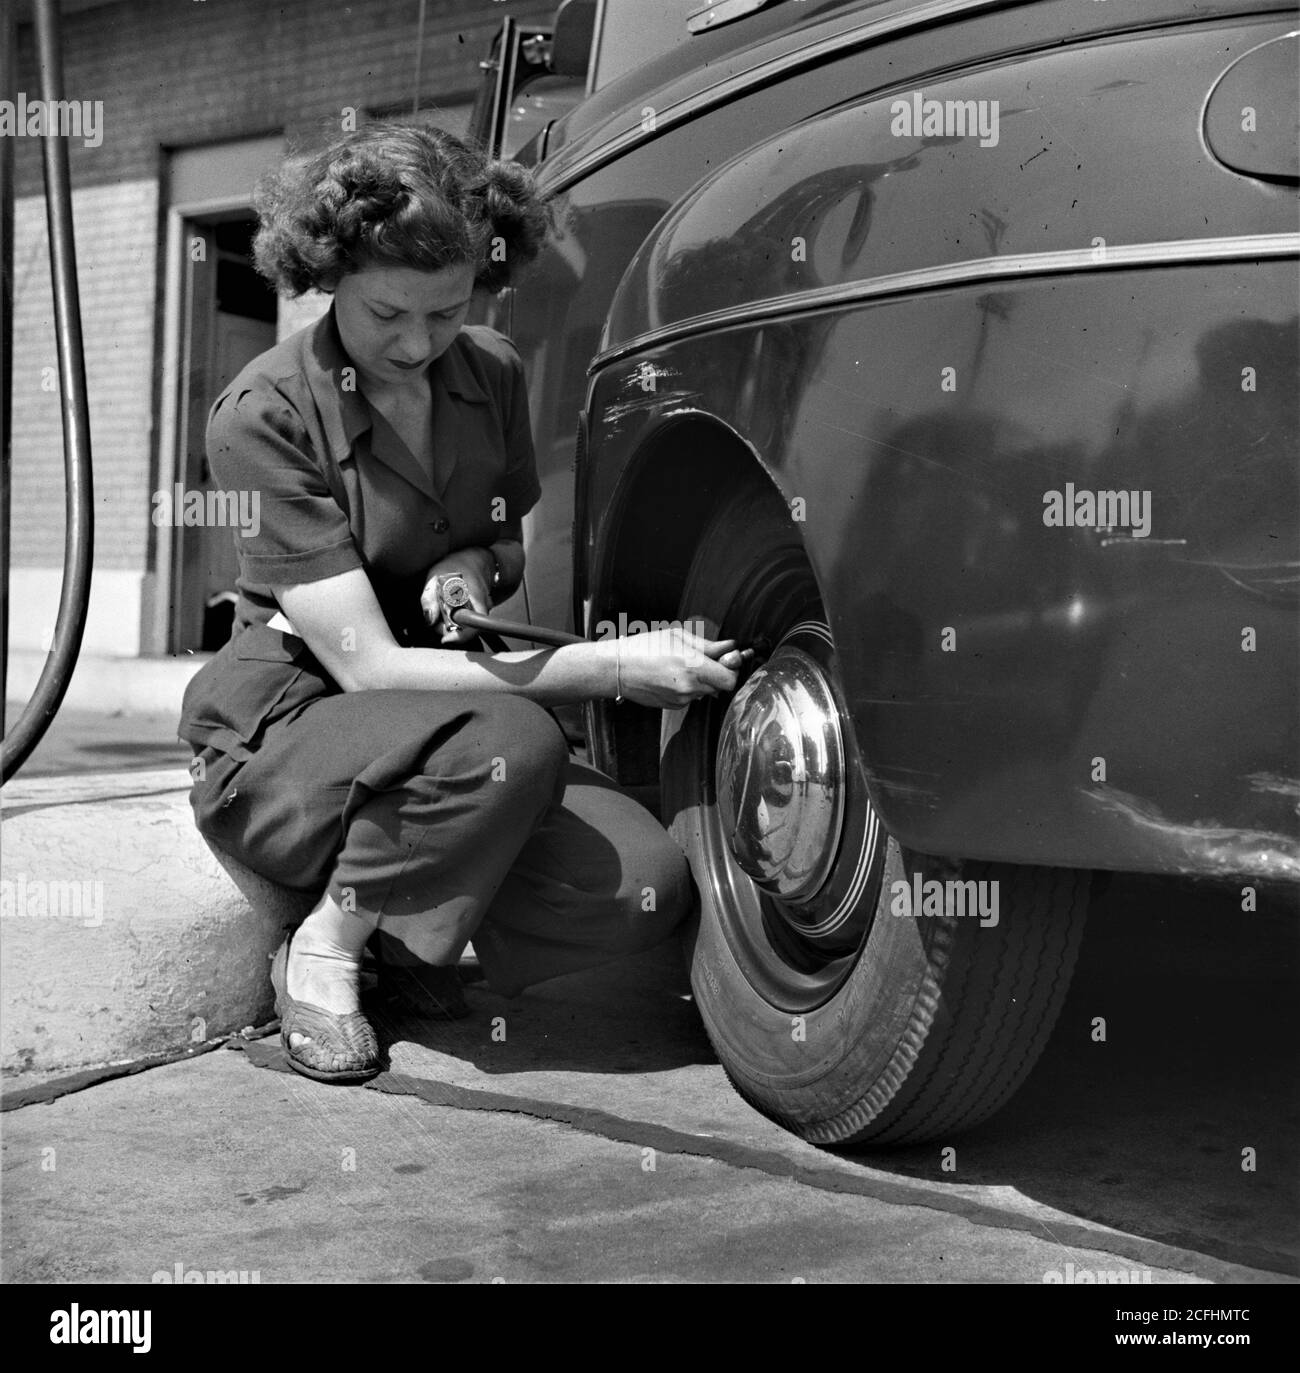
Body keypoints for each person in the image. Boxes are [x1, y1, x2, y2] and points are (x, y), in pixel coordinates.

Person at [178, 123, 745, 1085]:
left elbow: (503, 540)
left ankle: (405, 937)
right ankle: (323, 951)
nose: (417, 343)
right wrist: (615, 665)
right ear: (327, 275)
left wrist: (474, 571)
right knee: (513, 739)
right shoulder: (261, 415)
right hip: (295, 731)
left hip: (449, 728)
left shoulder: (489, 370)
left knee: (640, 889)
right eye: (387, 313)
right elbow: (369, 668)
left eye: (446, 311)